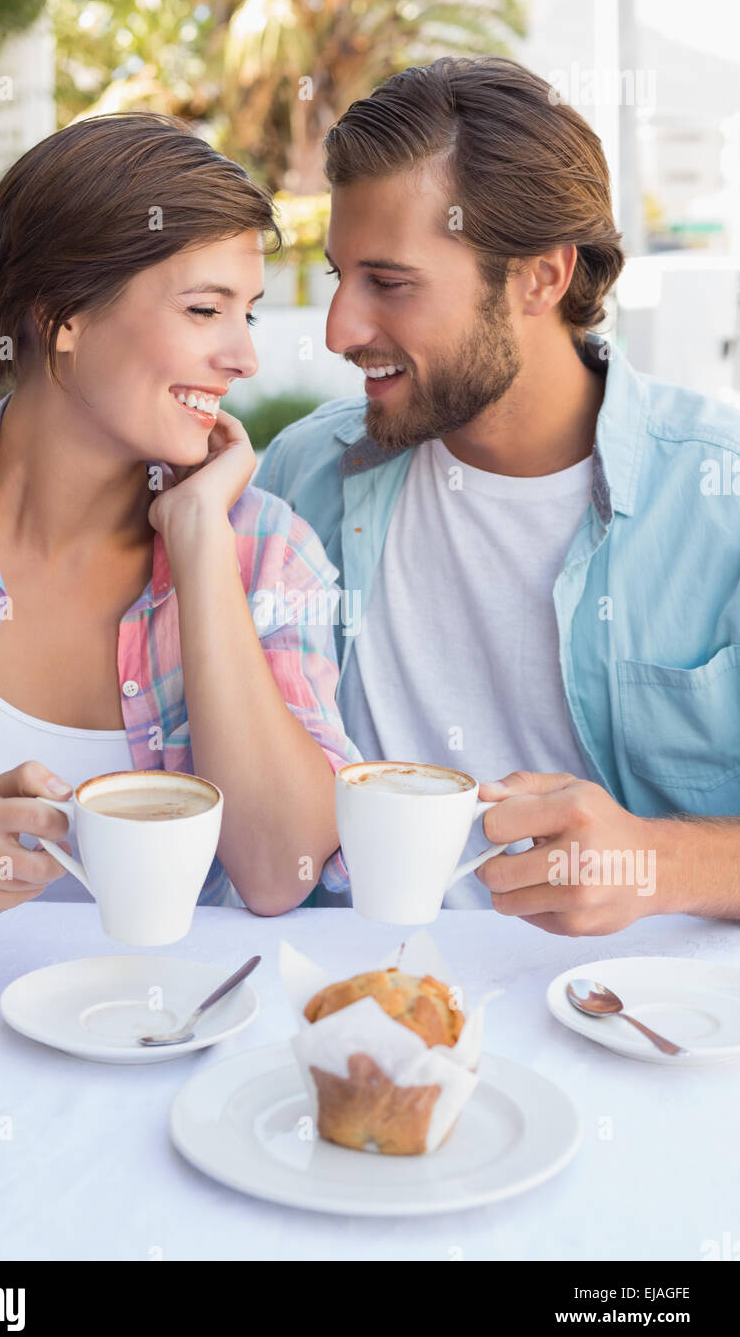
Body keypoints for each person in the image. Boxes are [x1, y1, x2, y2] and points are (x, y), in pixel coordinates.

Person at [258, 55, 740, 937]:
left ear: (541, 278)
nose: (340, 331)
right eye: (339, 278)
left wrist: (655, 862)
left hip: (638, 1026)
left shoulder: (721, 497)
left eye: (390, 283)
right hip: (355, 995)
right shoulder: (300, 477)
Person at [0, 113, 358, 916]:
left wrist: (201, 543)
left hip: (176, 1035)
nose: (243, 358)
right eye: (206, 310)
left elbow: (282, 870)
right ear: (65, 315)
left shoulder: (268, 550)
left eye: (250, 314)